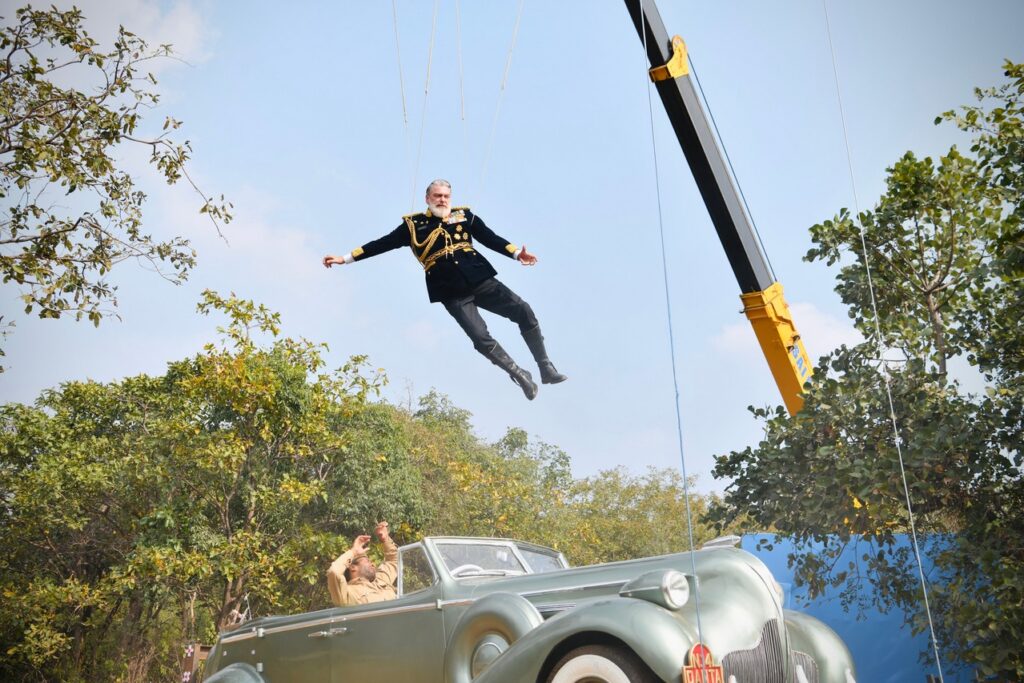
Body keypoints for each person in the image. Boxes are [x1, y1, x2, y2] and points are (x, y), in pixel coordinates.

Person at [322, 179, 566, 400]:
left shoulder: (464, 216)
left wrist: (516, 253)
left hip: (479, 277)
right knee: (480, 339)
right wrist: (345, 258)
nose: (442, 200)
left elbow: (490, 237)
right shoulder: (413, 225)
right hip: (450, 289)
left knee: (523, 310)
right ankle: (520, 374)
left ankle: (545, 366)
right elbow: (381, 244)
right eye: (437, 196)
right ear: (428, 198)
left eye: (446, 196)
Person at [326, 521, 398, 607]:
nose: (373, 565)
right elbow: (334, 572)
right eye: (368, 561)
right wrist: (353, 551)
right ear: (352, 567)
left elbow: (393, 560)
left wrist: (385, 539)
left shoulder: (381, 580)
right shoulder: (347, 594)